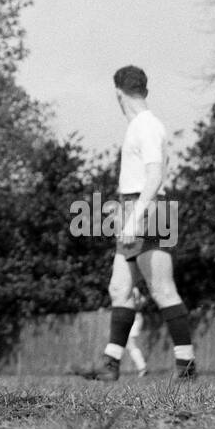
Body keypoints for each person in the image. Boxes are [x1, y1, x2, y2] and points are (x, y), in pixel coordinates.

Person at [83, 66, 196, 381]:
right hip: (133, 206)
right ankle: (111, 364)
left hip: (150, 210)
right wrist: (120, 211)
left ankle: (186, 366)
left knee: (162, 289)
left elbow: (155, 176)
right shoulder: (138, 126)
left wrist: (134, 218)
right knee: (119, 288)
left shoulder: (147, 125)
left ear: (118, 93)